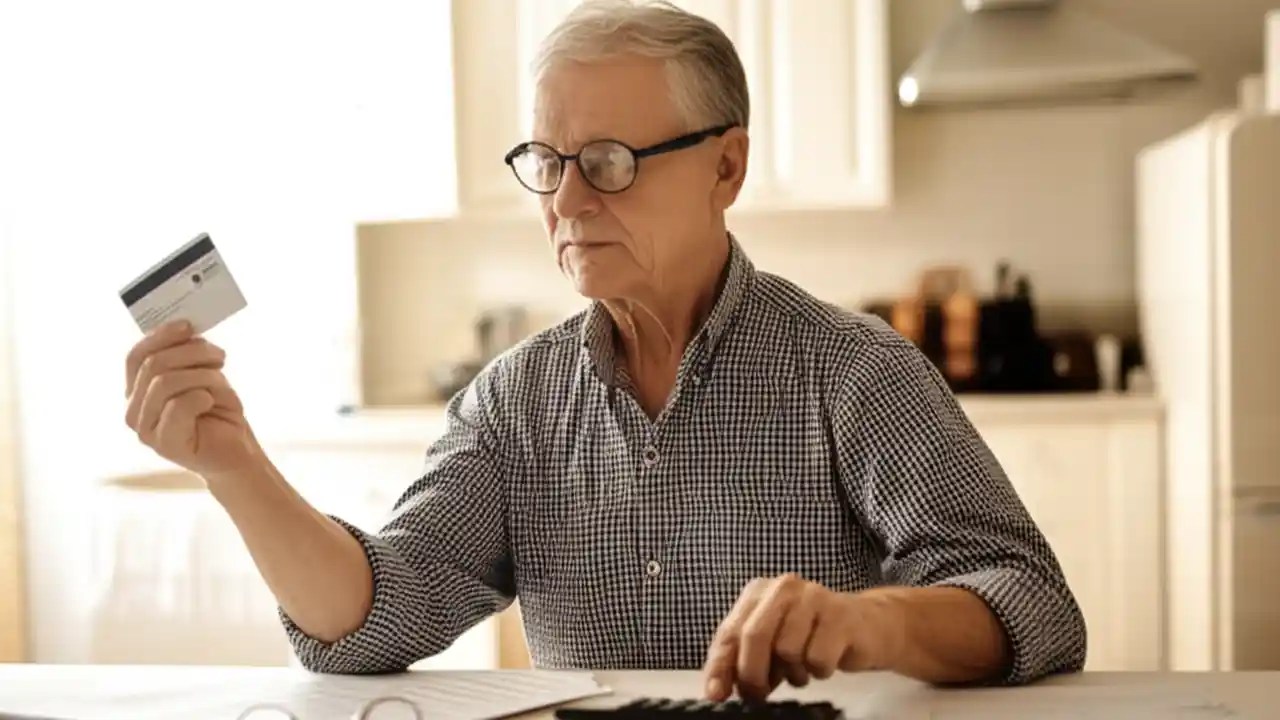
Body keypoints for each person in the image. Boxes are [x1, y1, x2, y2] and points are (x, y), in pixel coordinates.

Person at [122, 0, 1086, 702]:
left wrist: (869, 623)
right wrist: (234, 466)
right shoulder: (511, 404)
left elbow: (1034, 604)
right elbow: (368, 623)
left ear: (726, 166)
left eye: (612, 163)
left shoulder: (855, 373)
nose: (569, 203)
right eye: (547, 163)